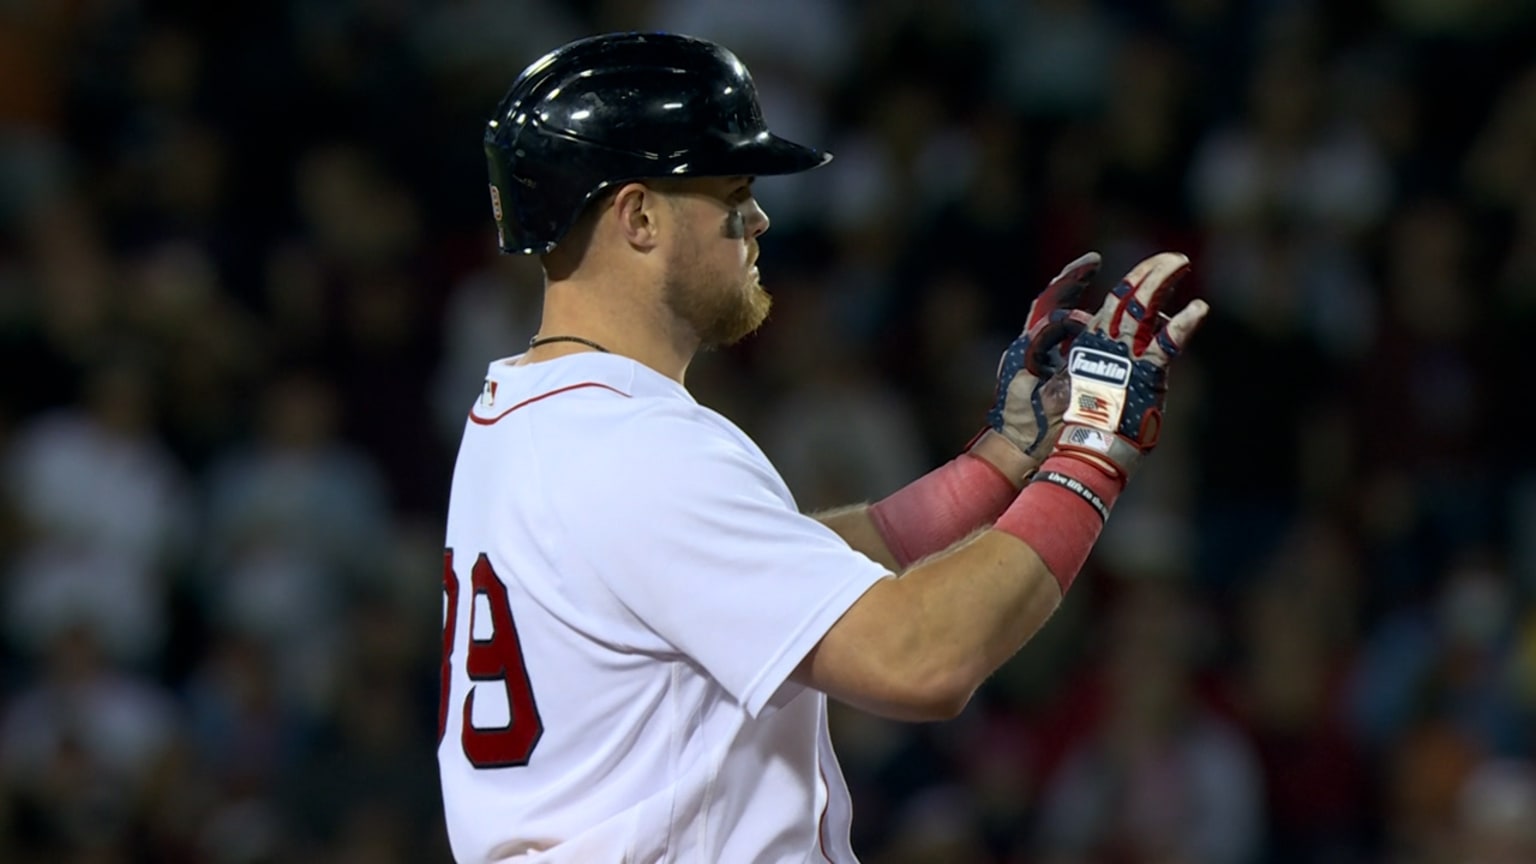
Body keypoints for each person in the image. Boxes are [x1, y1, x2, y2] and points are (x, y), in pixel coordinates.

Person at [436, 31, 1208, 863]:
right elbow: (921, 660)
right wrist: (1091, 452)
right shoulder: (636, 448)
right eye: (732, 191)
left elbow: (768, 573)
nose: (759, 218)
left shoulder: (521, 419)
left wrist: (1002, 460)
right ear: (639, 215)